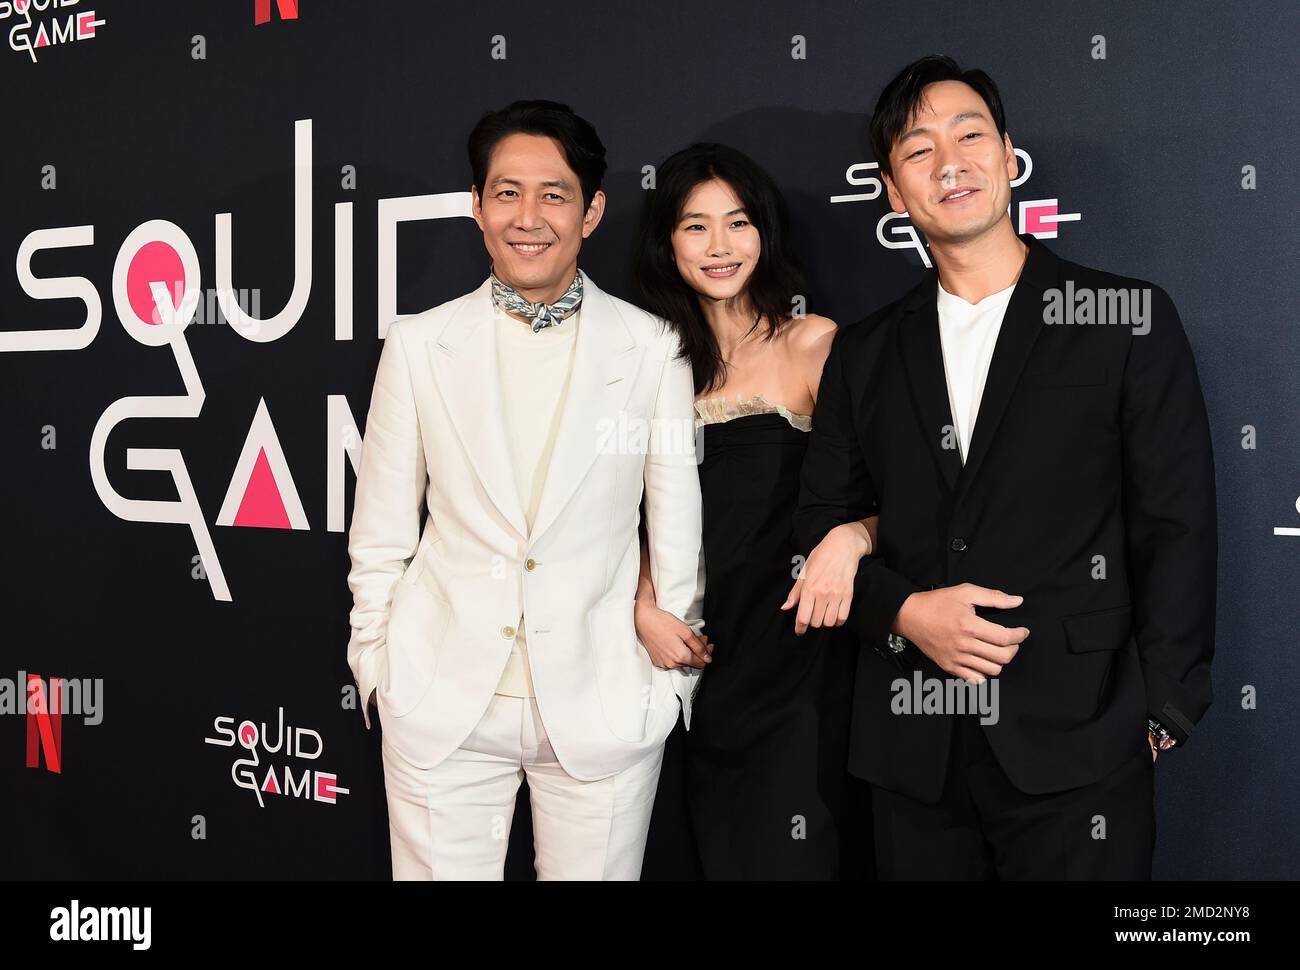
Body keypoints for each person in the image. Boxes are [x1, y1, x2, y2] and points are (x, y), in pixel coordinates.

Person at [794, 55, 1216, 879]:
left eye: (969, 135)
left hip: (1081, 739)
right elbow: (820, 517)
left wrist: (1160, 709)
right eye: (918, 150)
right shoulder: (866, 352)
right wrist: (904, 610)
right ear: (892, 190)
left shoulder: (1122, 318)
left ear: (1007, 154)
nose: (949, 163)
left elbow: (1178, 523)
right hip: (913, 750)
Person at [344, 100, 706, 880]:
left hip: (603, 702)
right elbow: (380, 532)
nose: (528, 217)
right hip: (440, 699)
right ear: (477, 206)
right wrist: (378, 665)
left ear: (591, 210)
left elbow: (677, 519)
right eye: (507, 193)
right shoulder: (417, 345)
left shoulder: (653, 348)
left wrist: (666, 685)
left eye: (554, 194)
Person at [631, 143, 874, 879]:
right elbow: (617, 511)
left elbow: (895, 491)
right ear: (667, 241)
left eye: (737, 223)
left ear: (764, 233)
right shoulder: (647, 362)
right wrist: (643, 604)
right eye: (695, 226)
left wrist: (853, 539)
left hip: (805, 655)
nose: (720, 246)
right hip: (701, 663)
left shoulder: (812, 343)